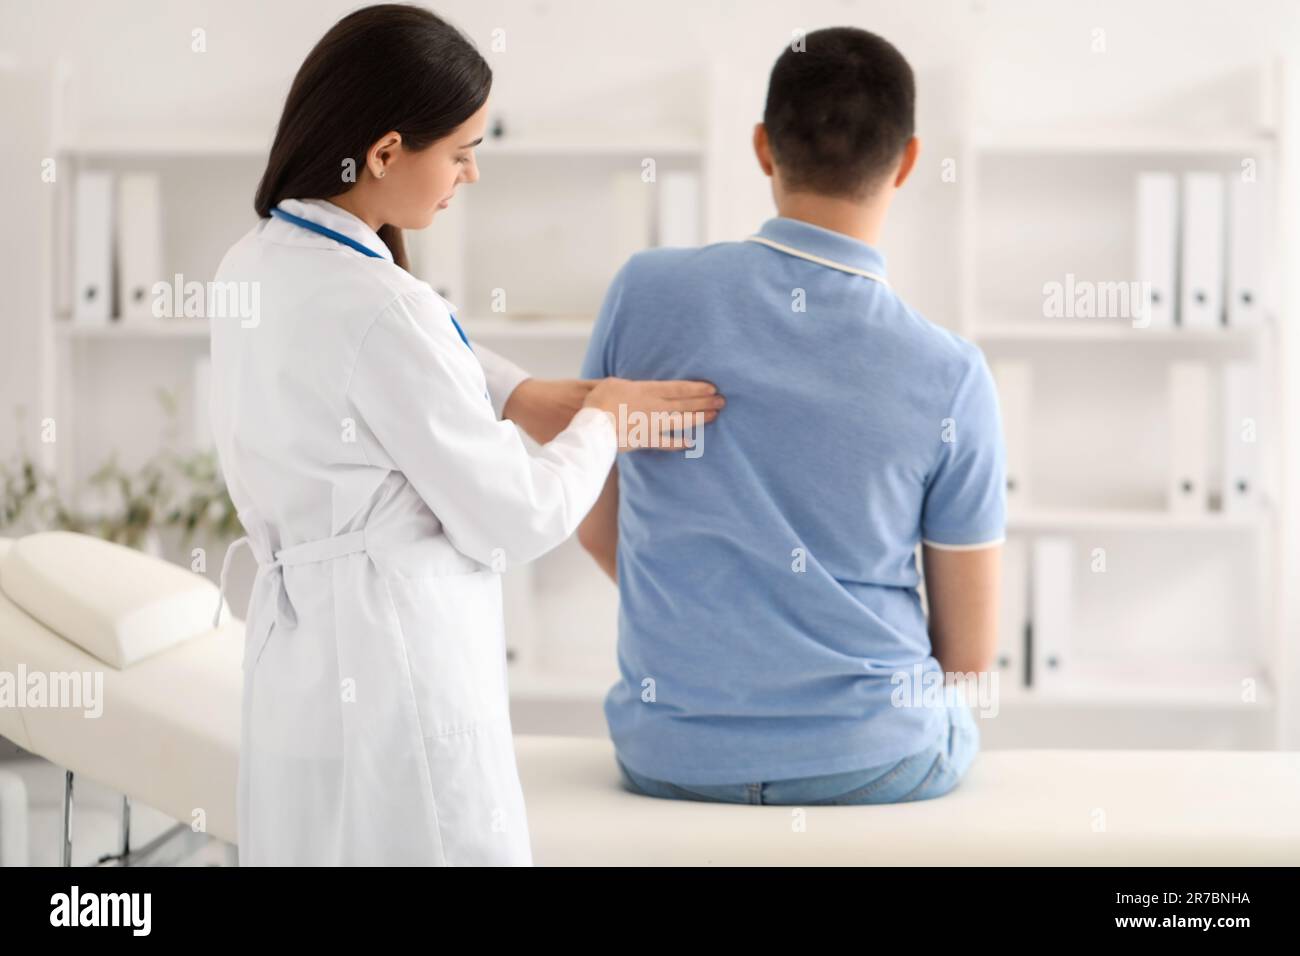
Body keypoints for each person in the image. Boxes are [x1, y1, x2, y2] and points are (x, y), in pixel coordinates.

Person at [207, 4, 722, 865]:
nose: (471, 174)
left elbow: (362, 355)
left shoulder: (250, 265)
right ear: (383, 153)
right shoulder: (383, 306)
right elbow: (518, 516)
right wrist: (604, 422)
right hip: (395, 671)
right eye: (460, 151)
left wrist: (516, 392)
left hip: (301, 663)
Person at [578, 27, 1004, 805]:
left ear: (762, 147)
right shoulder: (951, 373)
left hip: (666, 754)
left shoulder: (643, 293)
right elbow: (969, 658)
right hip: (874, 763)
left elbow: (590, 518)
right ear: (907, 160)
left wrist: (712, 603)